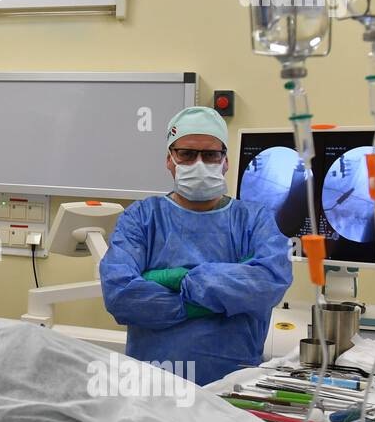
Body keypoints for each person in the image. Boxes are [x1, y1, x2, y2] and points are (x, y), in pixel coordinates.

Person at [99, 106, 292, 385]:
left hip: (232, 384)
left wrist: (175, 280)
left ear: (225, 161)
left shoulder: (253, 219)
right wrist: (224, 292)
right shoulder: (142, 218)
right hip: (153, 383)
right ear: (169, 160)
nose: (199, 163)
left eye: (211, 154)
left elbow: (269, 282)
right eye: (187, 154)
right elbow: (120, 295)